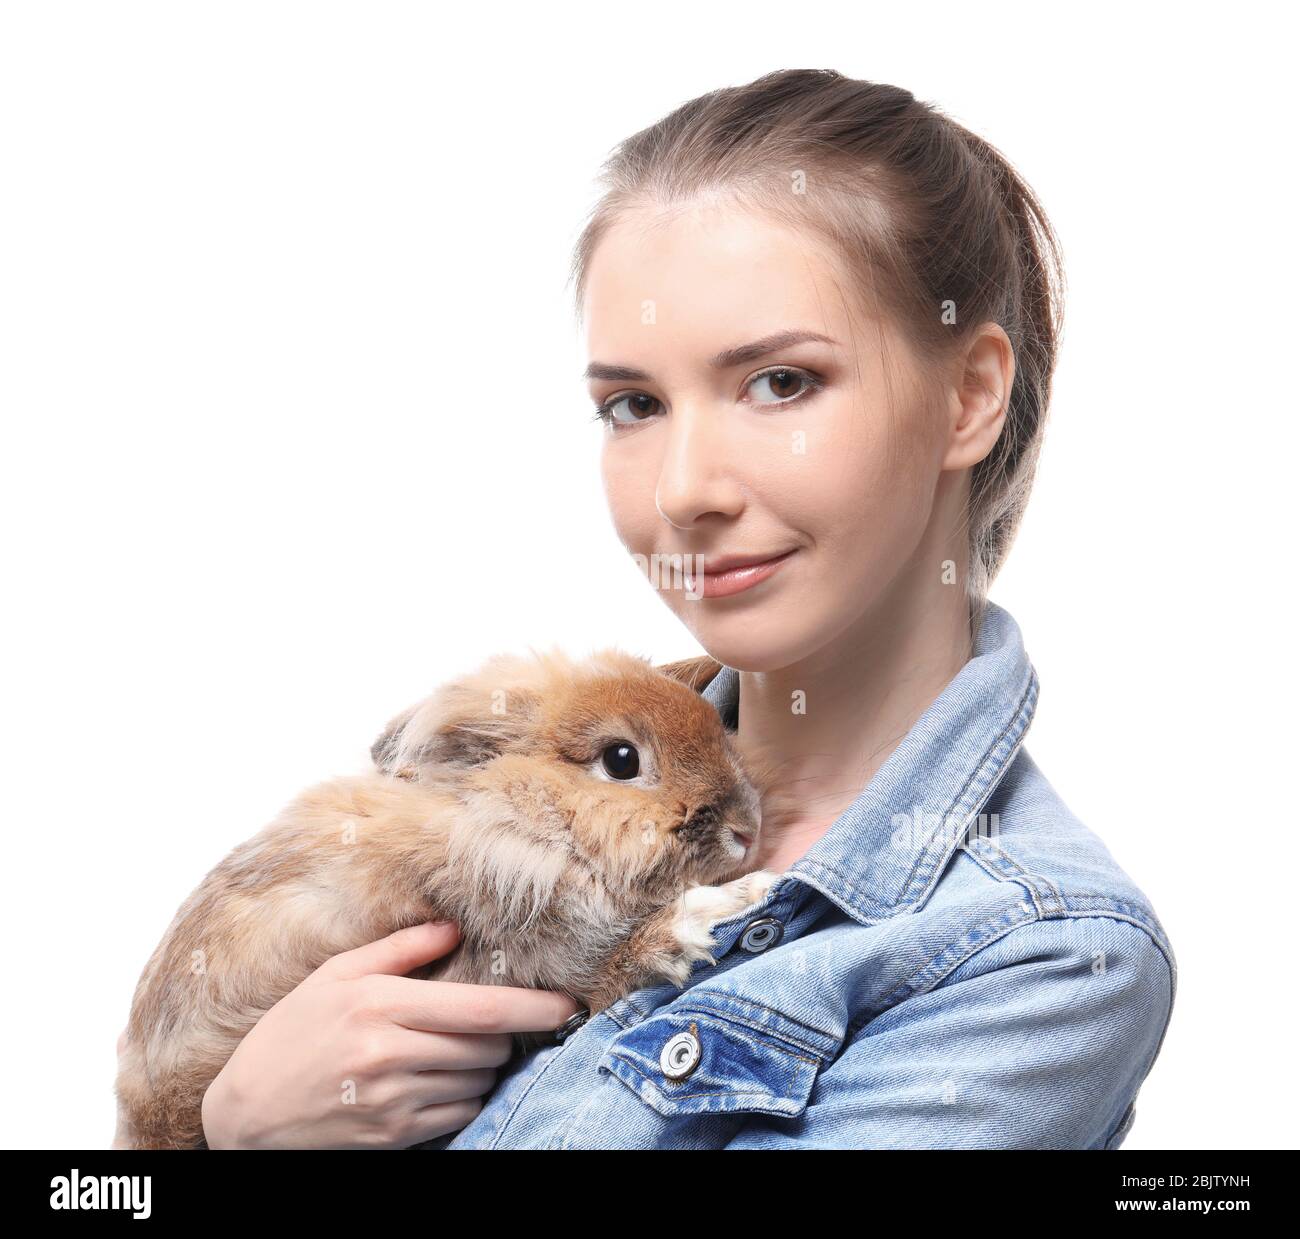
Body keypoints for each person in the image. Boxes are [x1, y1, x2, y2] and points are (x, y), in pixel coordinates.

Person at [185, 69, 1175, 1149]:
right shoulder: (520, 780)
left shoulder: (1041, 956)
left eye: (779, 383)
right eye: (634, 406)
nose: (683, 488)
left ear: (969, 394)